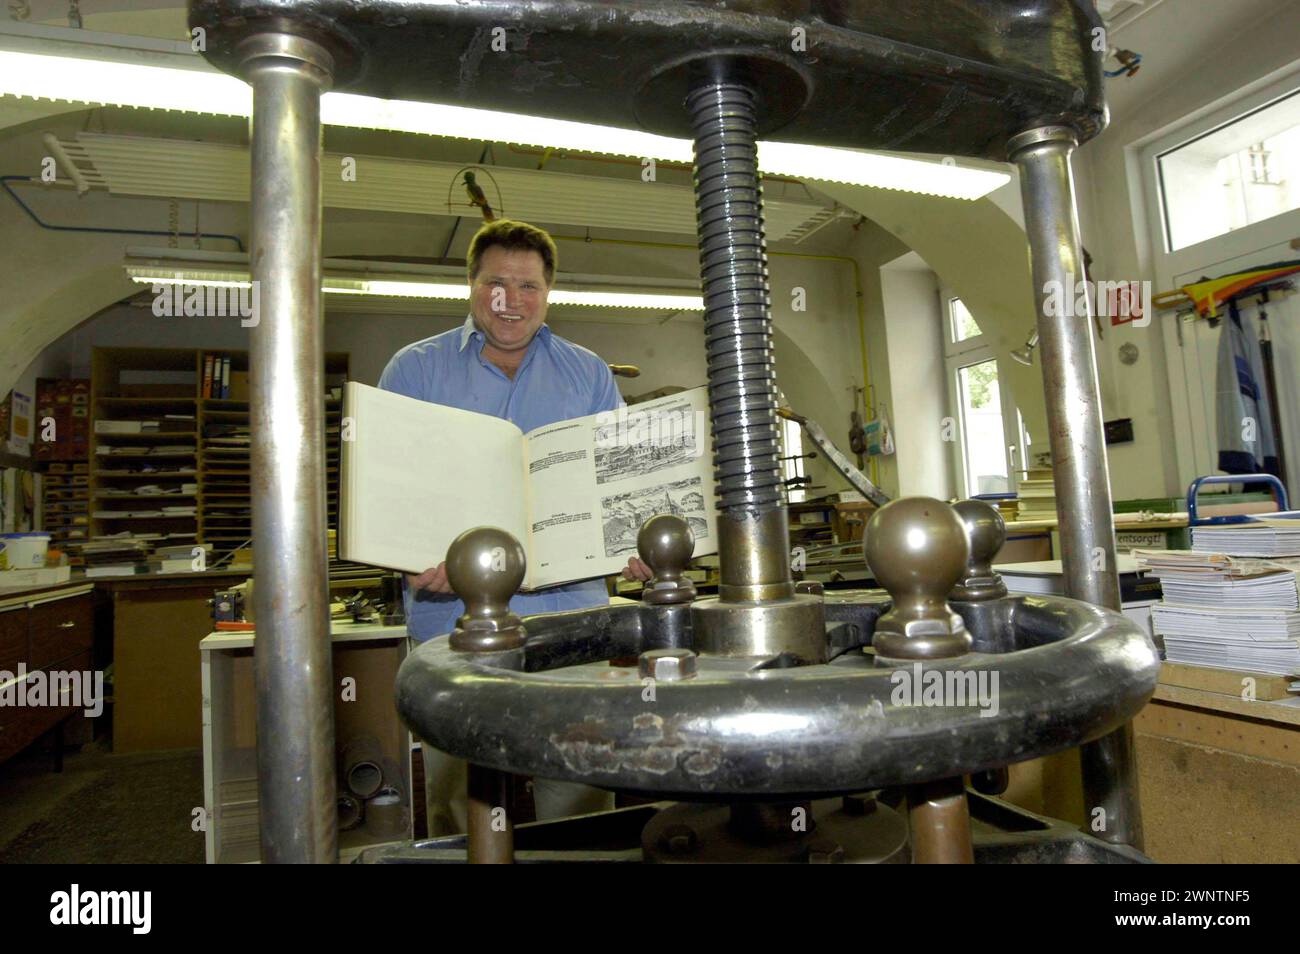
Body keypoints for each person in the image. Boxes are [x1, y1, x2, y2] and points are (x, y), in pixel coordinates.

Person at [378, 218, 654, 834]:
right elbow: (390, 489)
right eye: (496, 283)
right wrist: (415, 554)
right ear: (470, 285)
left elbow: (617, 483)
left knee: (577, 787)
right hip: (452, 619)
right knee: (460, 800)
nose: (511, 301)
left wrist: (631, 539)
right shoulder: (414, 371)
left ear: (549, 292)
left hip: (572, 618)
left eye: (528, 286)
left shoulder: (587, 374)